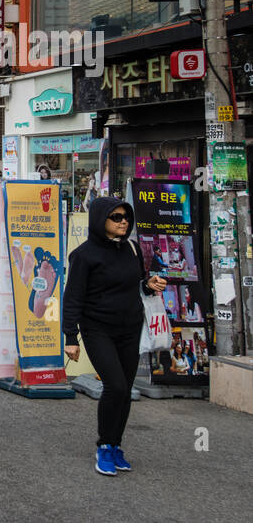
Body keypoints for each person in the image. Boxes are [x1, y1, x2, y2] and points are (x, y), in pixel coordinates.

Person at [62, 197, 167, 477]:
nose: (123, 222)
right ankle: (104, 446)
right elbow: (72, 298)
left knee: (126, 390)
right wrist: (70, 337)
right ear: (100, 220)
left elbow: (136, 283)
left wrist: (149, 284)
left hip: (130, 327)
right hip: (97, 329)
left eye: (126, 217)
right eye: (116, 217)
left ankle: (117, 445)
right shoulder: (83, 256)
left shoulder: (131, 248)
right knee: (116, 386)